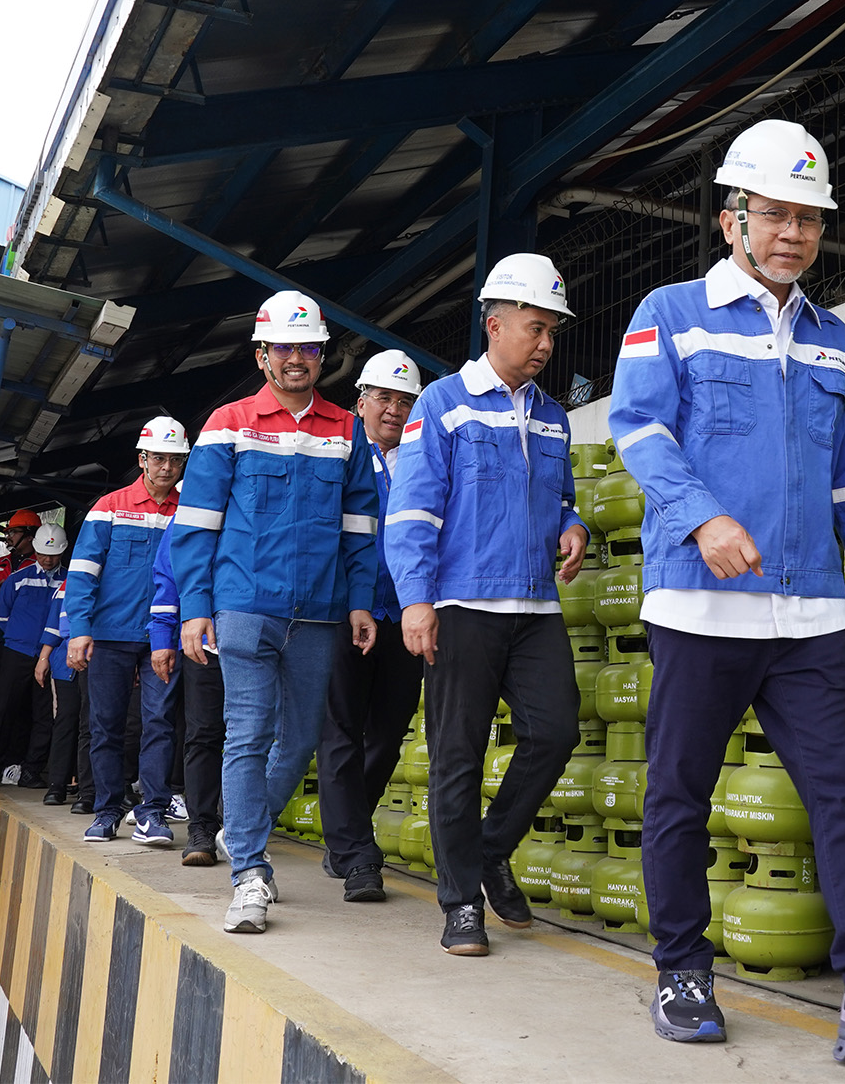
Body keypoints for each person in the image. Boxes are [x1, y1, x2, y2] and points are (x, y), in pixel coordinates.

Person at [609, 120, 845, 1061]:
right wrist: (702, 517)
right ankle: (683, 973)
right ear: (732, 218)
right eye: (774, 213)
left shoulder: (833, 338)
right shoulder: (671, 311)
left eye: (810, 218)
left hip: (809, 608)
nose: (793, 233)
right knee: (680, 793)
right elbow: (641, 430)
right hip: (700, 599)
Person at [385, 255, 586, 956]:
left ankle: (490, 847)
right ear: (494, 323)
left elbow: (563, 498)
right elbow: (411, 511)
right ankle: (461, 901)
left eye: (552, 332)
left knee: (556, 731)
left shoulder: (555, 417)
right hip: (462, 603)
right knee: (456, 757)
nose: (546, 344)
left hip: (534, 608)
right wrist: (416, 600)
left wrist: (575, 524)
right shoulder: (443, 403)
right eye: (536, 328)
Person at [174, 291, 379, 934]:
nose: (298, 359)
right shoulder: (229, 421)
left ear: (322, 356)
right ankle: (250, 876)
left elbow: (360, 528)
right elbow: (197, 523)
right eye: (286, 348)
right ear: (262, 355)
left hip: (319, 613)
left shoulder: (347, 429)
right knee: (248, 733)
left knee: (299, 741)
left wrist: (361, 602)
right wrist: (194, 607)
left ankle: (241, 830)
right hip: (242, 607)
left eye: (309, 348)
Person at [318, 351, 425, 903]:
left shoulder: (424, 459)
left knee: (386, 734)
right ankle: (358, 854)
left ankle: (344, 834)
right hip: (345, 613)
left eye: (405, 400)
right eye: (384, 397)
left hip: (404, 615)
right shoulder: (340, 456)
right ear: (361, 400)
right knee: (340, 732)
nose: (393, 409)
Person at [60, 415, 189, 846]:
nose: (167, 467)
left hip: (164, 638)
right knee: (105, 725)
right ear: (142, 459)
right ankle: (108, 810)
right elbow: (82, 574)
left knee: (159, 723)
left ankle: (152, 811)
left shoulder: (190, 512)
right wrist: (79, 630)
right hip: (111, 635)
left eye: (175, 459)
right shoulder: (109, 507)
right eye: (159, 458)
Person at [146, 523, 225, 860]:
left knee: (258, 736)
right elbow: (169, 576)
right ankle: (203, 828)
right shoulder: (190, 513)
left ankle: (246, 829)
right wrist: (162, 640)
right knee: (204, 733)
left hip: (264, 639)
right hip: (205, 644)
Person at [0, 523, 71, 788]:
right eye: (42, 553)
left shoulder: (70, 581)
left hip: (52, 657)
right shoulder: (17, 579)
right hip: (16, 653)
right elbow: (2, 616)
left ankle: (31, 770)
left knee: (44, 714)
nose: (47, 558)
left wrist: (45, 647)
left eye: (53, 554)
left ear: (62, 552)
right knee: (3, 709)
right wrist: (21, 639)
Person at [36, 583, 88, 807]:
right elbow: (53, 627)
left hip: (96, 665)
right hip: (65, 666)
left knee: (92, 724)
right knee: (65, 721)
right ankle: (57, 785)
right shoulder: (67, 587)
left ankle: (86, 788)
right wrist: (43, 659)